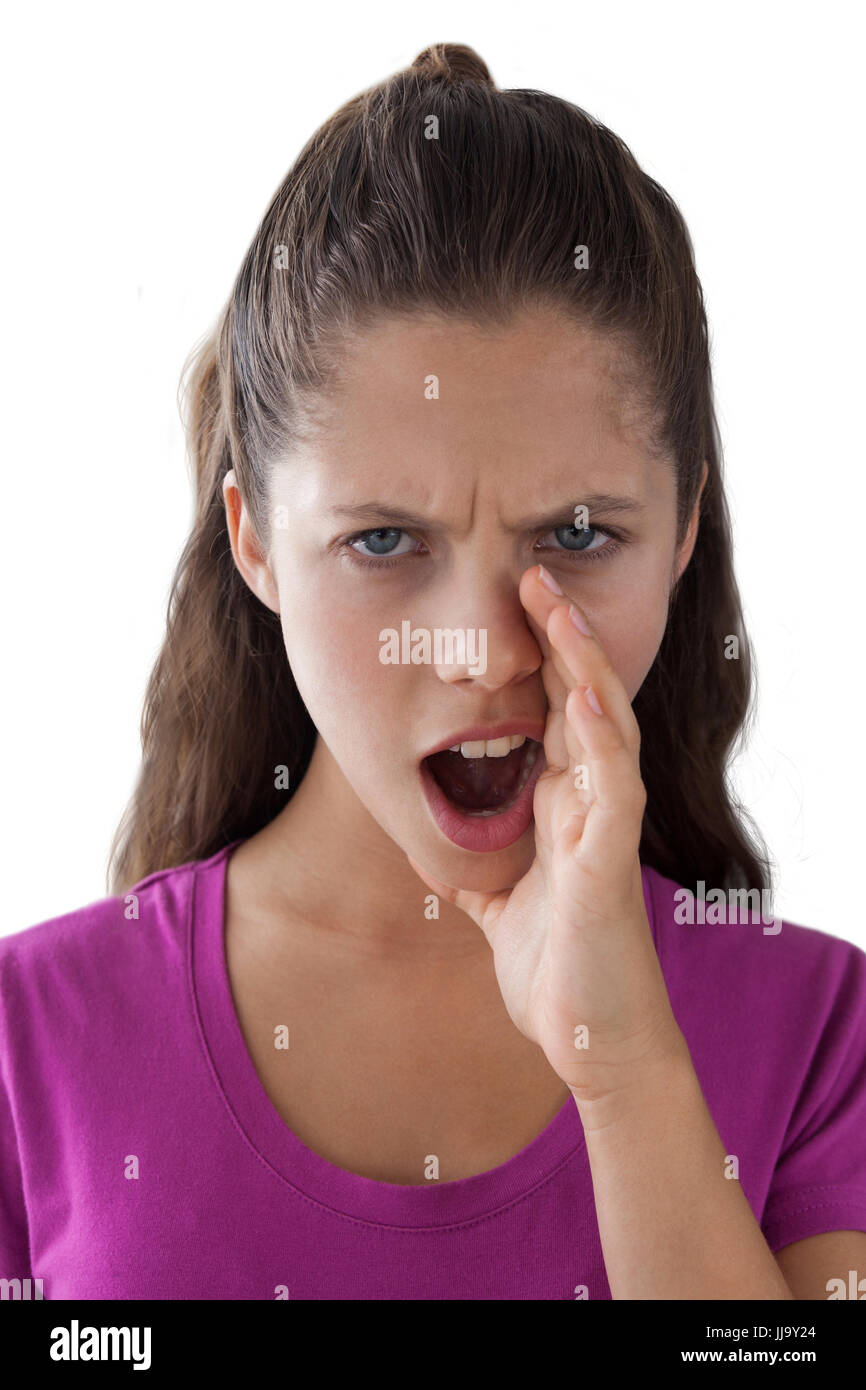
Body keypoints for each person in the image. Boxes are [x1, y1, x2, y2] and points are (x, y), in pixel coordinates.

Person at [3, 42, 866, 1302]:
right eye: (382, 541)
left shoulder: (821, 1033)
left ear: (681, 530)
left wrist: (622, 1072)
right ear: (254, 542)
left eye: (576, 534)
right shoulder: (29, 1040)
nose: (481, 651)